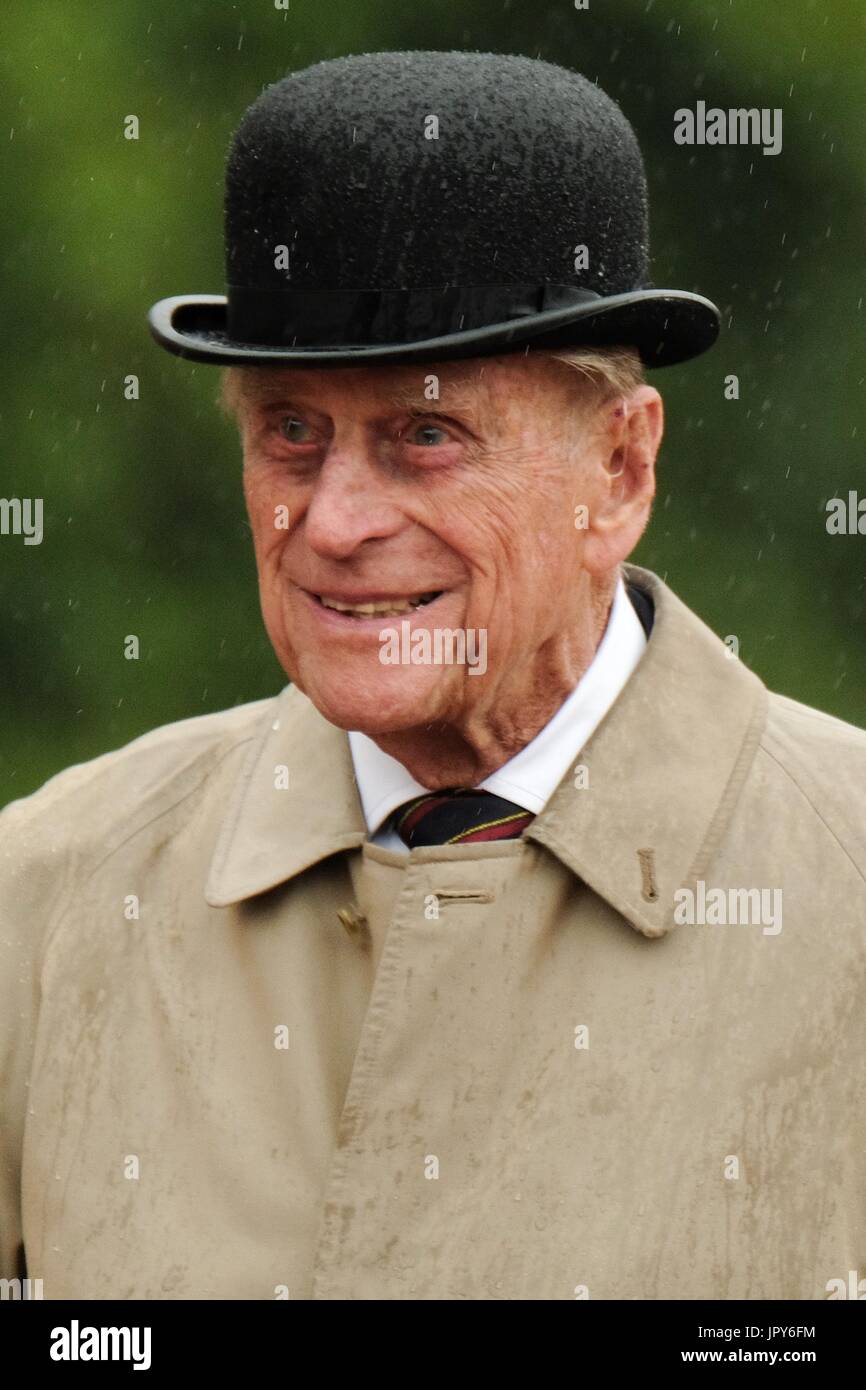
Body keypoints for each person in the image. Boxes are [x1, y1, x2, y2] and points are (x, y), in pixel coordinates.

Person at [1, 50, 863, 1302]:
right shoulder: (46, 900)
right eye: (291, 430)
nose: (337, 520)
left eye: (424, 434)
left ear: (618, 470)